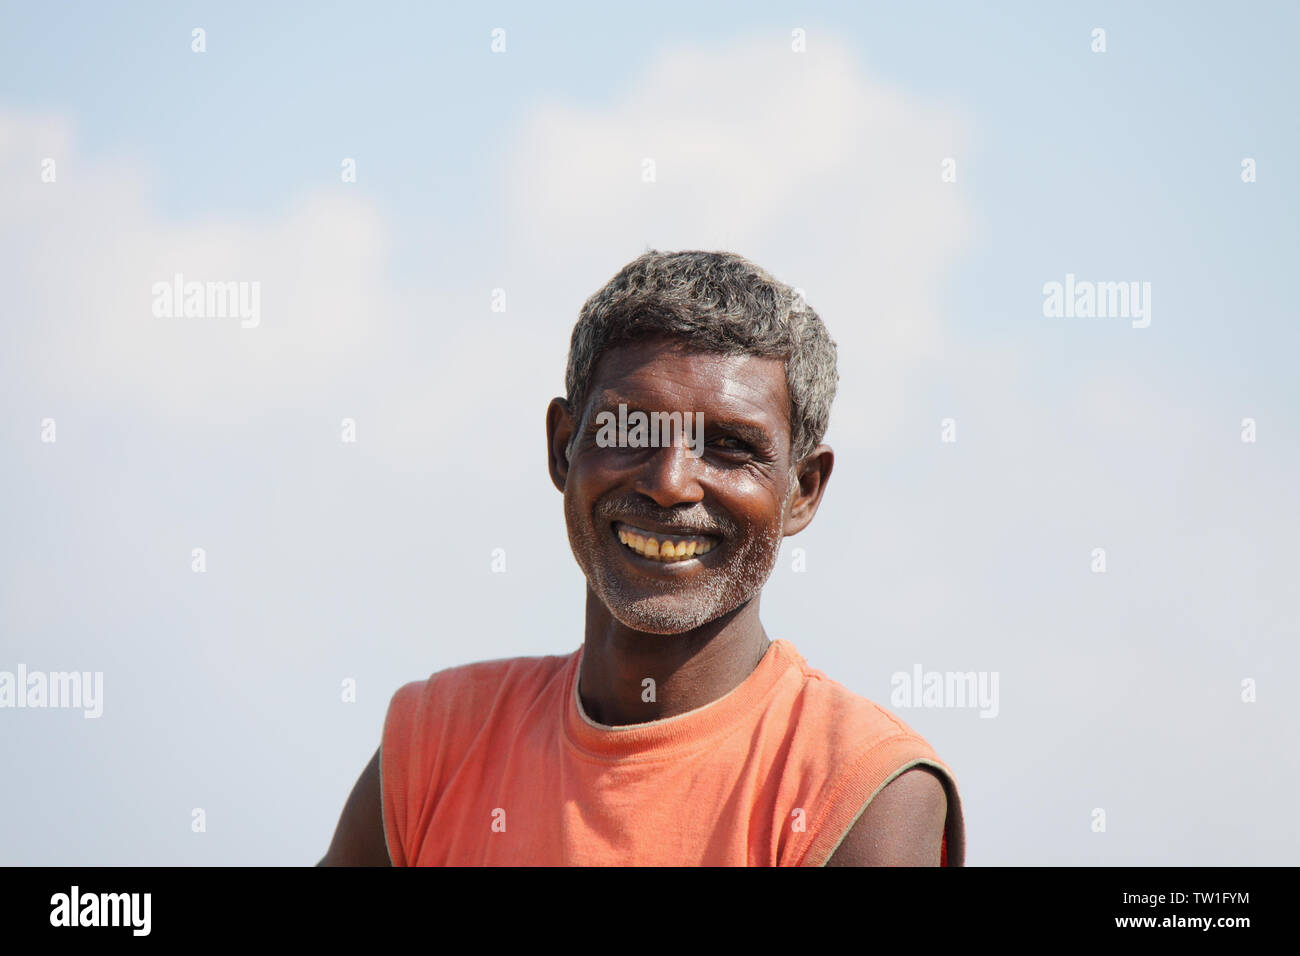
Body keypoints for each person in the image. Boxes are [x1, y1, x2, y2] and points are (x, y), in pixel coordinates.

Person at [319, 250, 965, 866]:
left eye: (730, 446)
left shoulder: (860, 790)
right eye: (630, 430)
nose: (671, 482)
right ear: (562, 448)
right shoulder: (435, 743)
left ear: (801, 491)